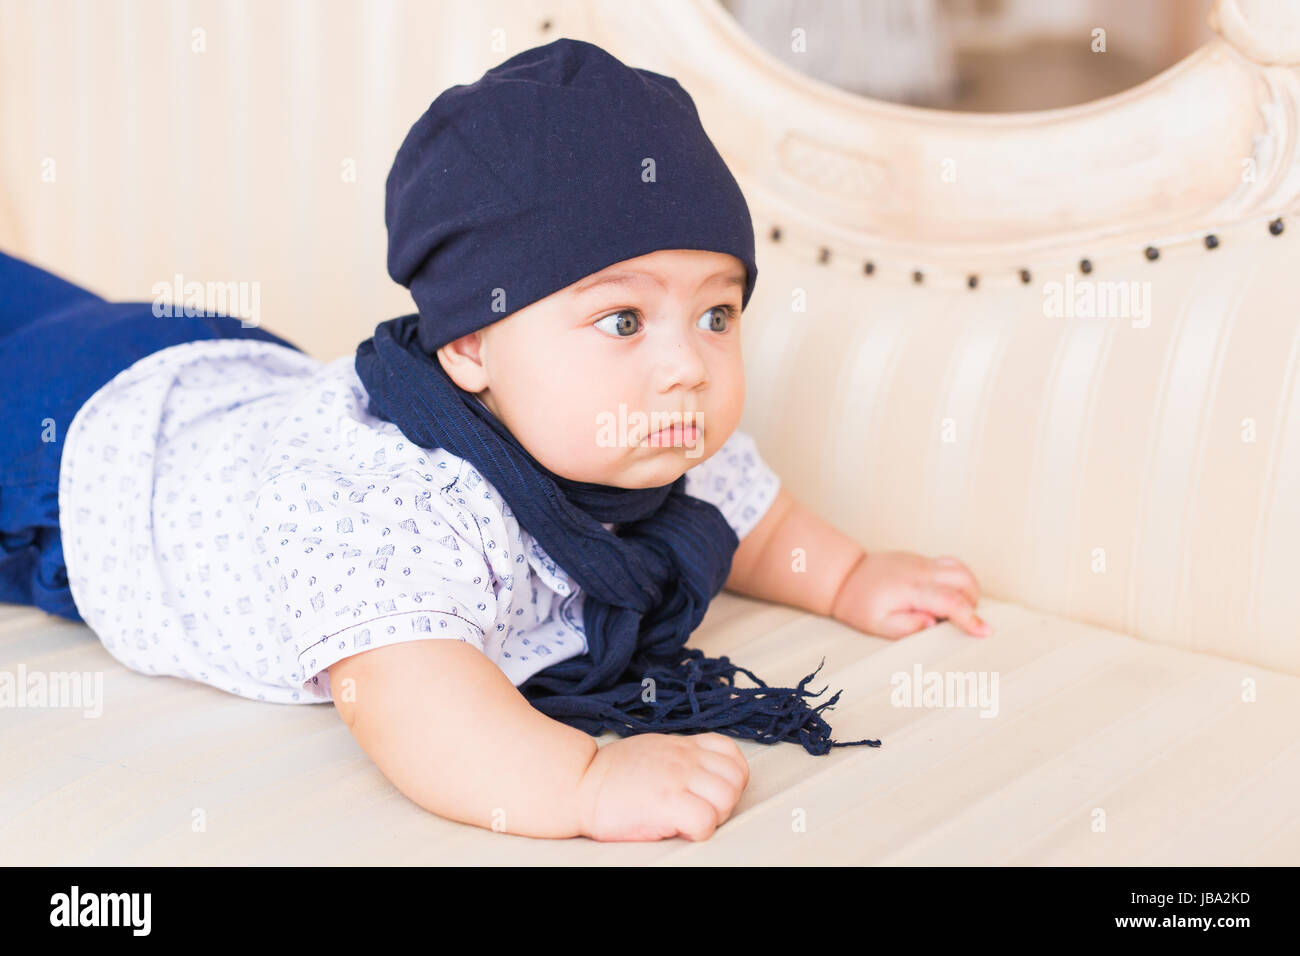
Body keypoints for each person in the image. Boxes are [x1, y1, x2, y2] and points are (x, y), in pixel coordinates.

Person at [0, 38, 987, 843]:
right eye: (622, 322)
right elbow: (410, 704)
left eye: (716, 316)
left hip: (215, 364)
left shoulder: (660, 433)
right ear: (469, 343)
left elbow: (759, 523)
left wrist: (852, 575)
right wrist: (584, 778)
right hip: (81, 465)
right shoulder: (396, 504)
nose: (686, 365)